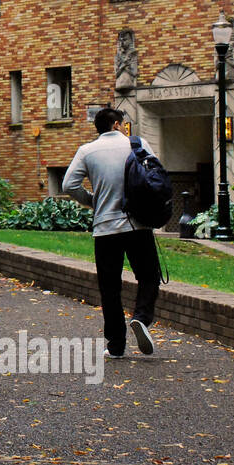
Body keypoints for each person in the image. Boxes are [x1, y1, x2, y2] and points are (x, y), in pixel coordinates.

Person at [63, 106, 160, 358]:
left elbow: (68, 184)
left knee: (110, 287)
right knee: (149, 275)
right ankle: (141, 317)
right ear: (117, 124)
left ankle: (116, 345)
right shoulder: (137, 144)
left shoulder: (86, 151)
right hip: (137, 224)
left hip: (105, 228)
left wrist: (93, 200)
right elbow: (155, 176)